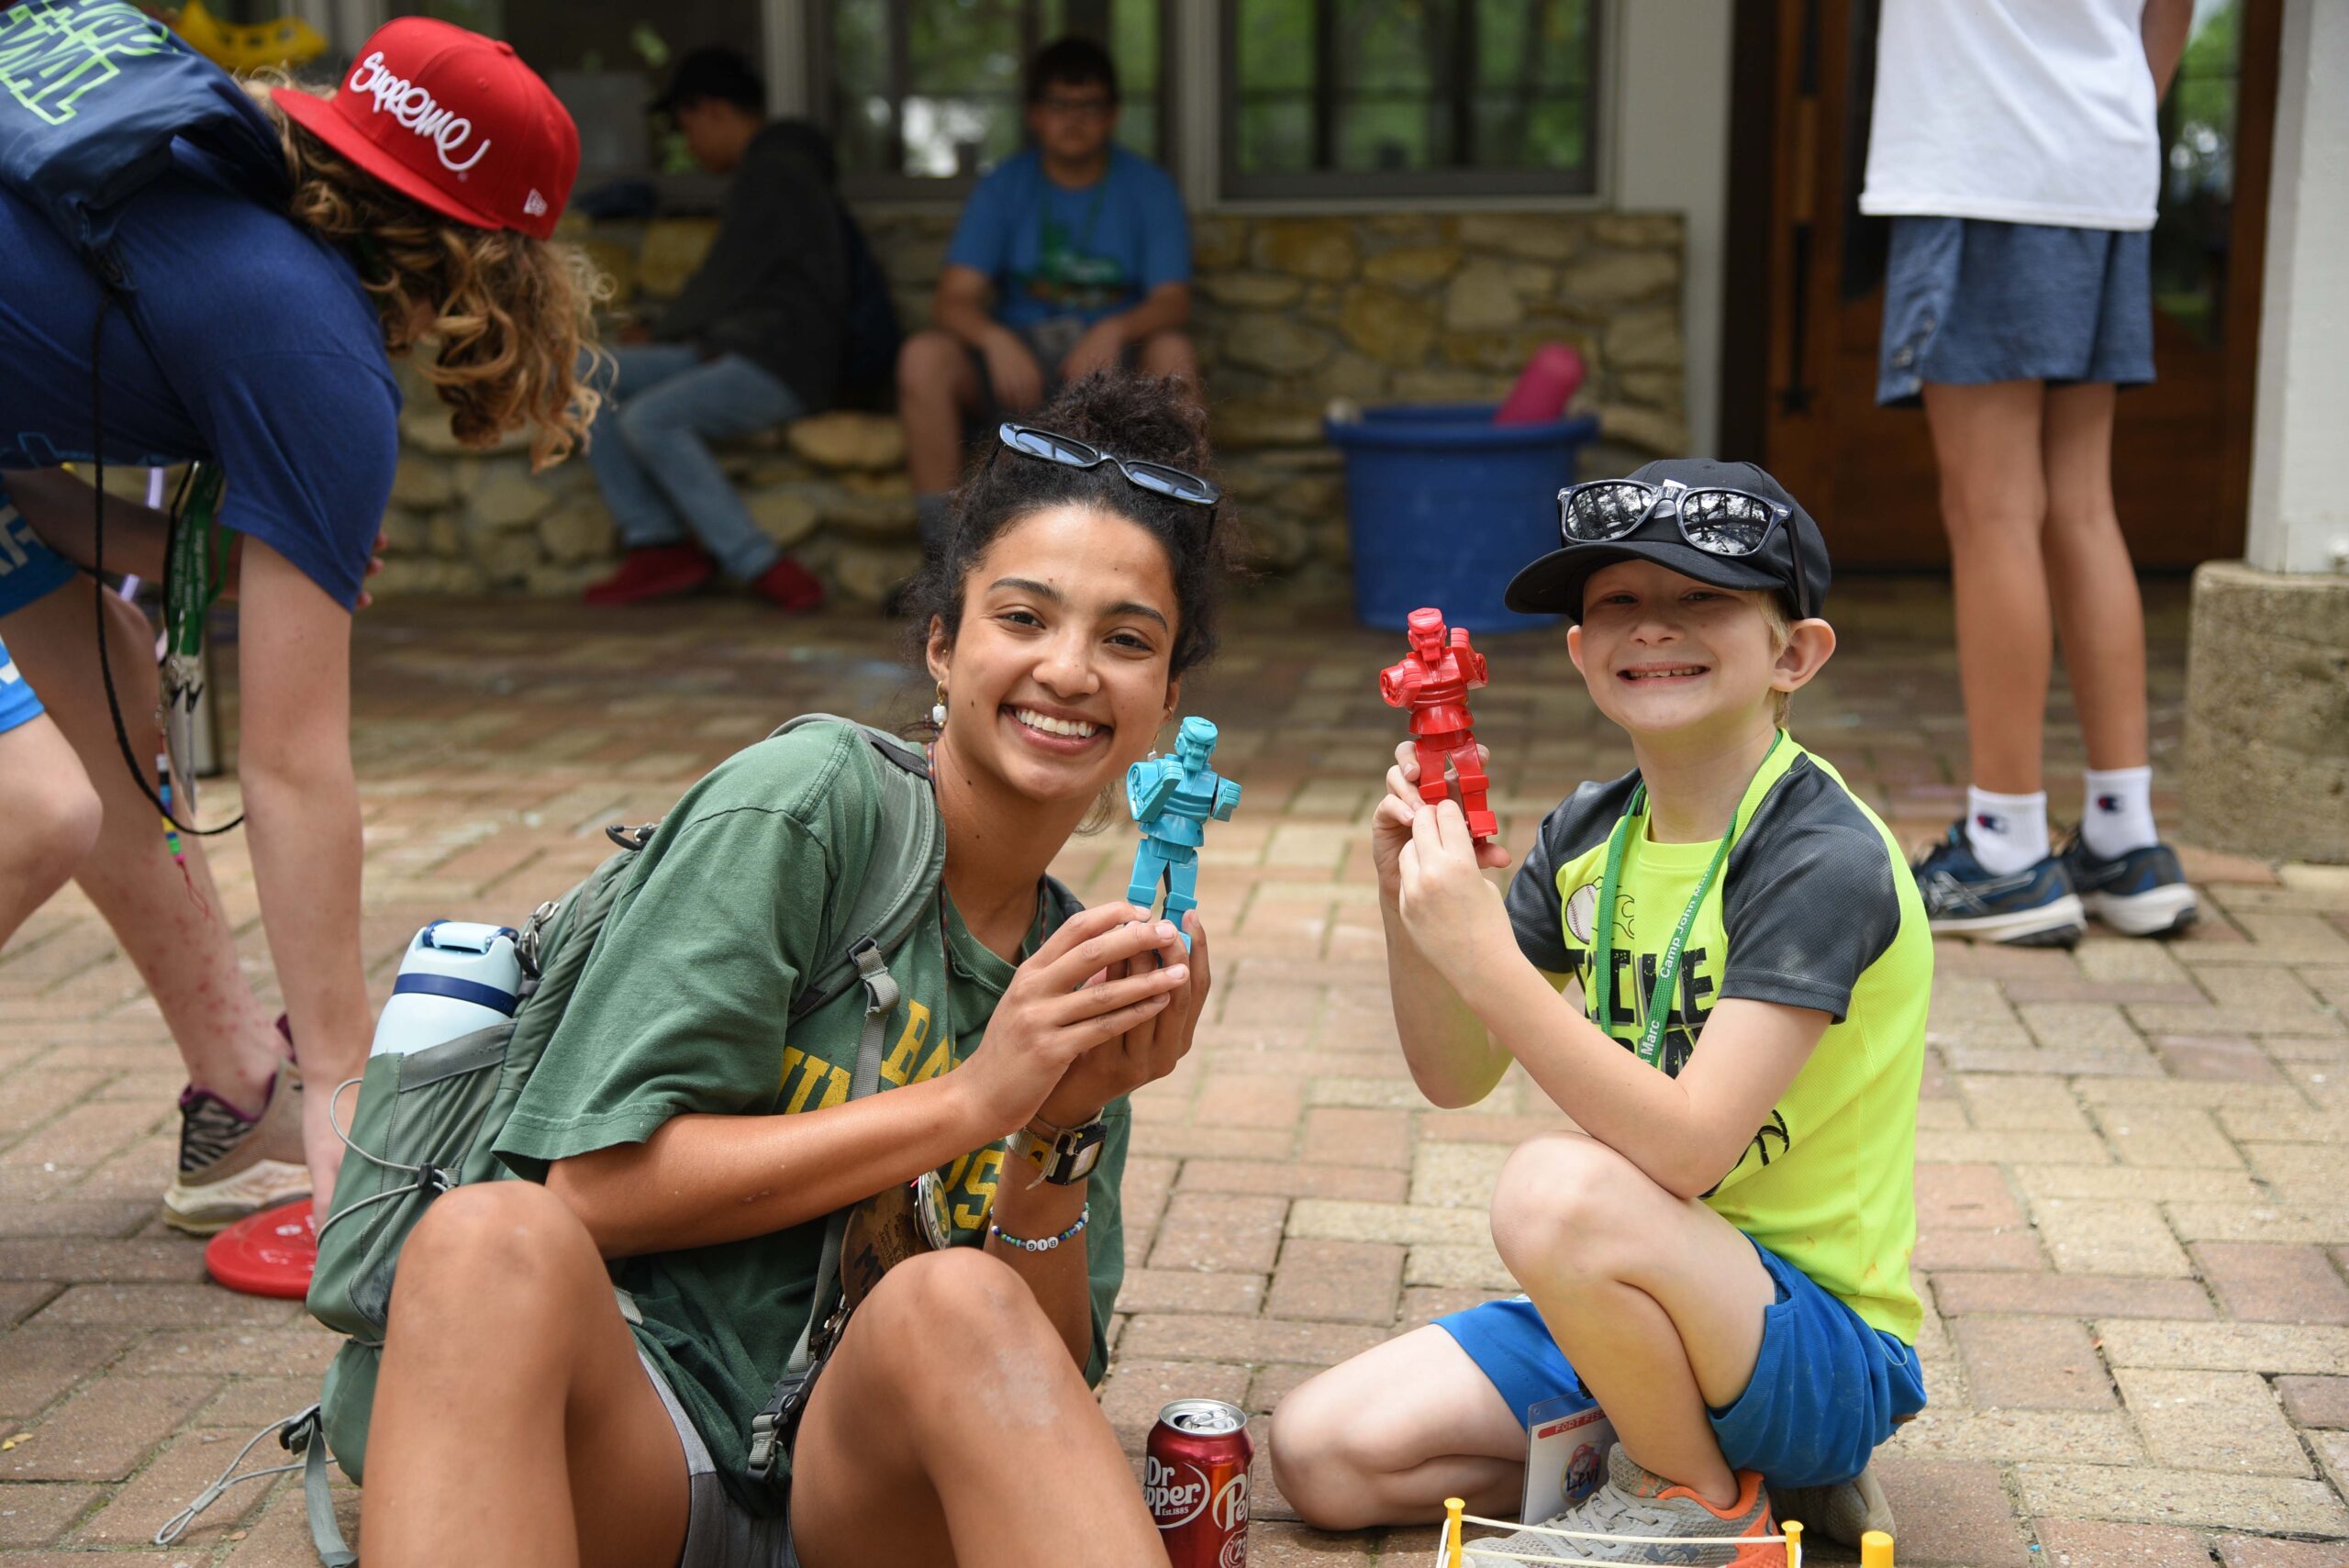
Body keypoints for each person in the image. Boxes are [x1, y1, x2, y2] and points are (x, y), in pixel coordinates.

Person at [358, 373, 1237, 1568]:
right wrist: (977, 1100)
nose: (1072, 670)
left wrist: (1060, 1128)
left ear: (1168, 701)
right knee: (485, 1239)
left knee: (955, 1303)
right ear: (942, 643)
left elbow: (1034, 1388)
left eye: (1127, 641)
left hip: (855, 1504)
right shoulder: (810, 809)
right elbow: (594, 1191)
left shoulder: (1077, 961)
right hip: (638, 1448)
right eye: (1024, 619)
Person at [0, 14, 602, 1231]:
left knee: (103, 678)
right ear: (492, 271)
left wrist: (217, 557)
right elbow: (290, 767)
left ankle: (241, 1102)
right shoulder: (317, 354)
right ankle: (301, 1093)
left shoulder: (197, 163)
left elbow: (39, 492)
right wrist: (347, 1075)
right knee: (34, 807)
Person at [1272, 462, 1932, 1564]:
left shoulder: (1818, 855)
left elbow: (1684, 1147)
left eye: (1704, 598)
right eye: (1617, 603)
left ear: (1793, 654)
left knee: (1554, 1189)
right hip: (1628, 1309)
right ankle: (1730, 1472)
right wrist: (1411, 908)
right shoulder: (1594, 829)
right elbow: (1453, 1071)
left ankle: (1701, 1508)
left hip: (1817, 1343)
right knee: (1325, 1454)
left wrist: (1486, 955)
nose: (1653, 628)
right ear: (1581, 653)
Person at [1862, 0, 2199, 946]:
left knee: (1994, 510)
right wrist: (2111, 117)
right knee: (2080, 507)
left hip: (1980, 166)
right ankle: (2123, 838)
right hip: (2101, 175)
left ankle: (2006, 845)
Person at [897, 36, 1197, 559]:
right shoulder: (1004, 187)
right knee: (924, 356)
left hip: (1113, 365)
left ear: (1113, 116)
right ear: (1035, 114)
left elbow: (1173, 302)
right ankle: (940, 556)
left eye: (1089, 107)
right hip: (1018, 365)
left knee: (1173, 350)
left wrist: (1114, 328)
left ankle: (1179, 545)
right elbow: (952, 300)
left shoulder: (1148, 188)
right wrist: (993, 339)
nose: (1074, 120)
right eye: (1060, 106)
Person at [581, 46, 847, 611]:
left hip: (782, 363)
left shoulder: (776, 171)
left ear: (711, 111)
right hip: (729, 348)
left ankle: (758, 561)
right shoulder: (771, 168)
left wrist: (666, 332)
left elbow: (729, 279)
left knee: (650, 417)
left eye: (686, 127)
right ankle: (657, 543)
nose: (690, 144)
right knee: (583, 371)